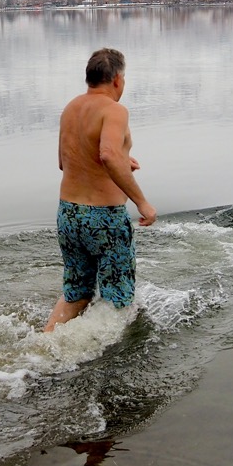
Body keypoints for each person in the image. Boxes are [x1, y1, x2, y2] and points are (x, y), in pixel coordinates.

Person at [44, 48, 157, 332]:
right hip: (103, 217)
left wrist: (121, 162)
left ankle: (43, 344)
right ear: (117, 79)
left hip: (69, 214)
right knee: (118, 299)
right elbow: (107, 154)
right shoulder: (114, 110)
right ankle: (108, 360)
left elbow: (64, 162)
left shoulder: (71, 108)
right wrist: (142, 203)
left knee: (76, 293)